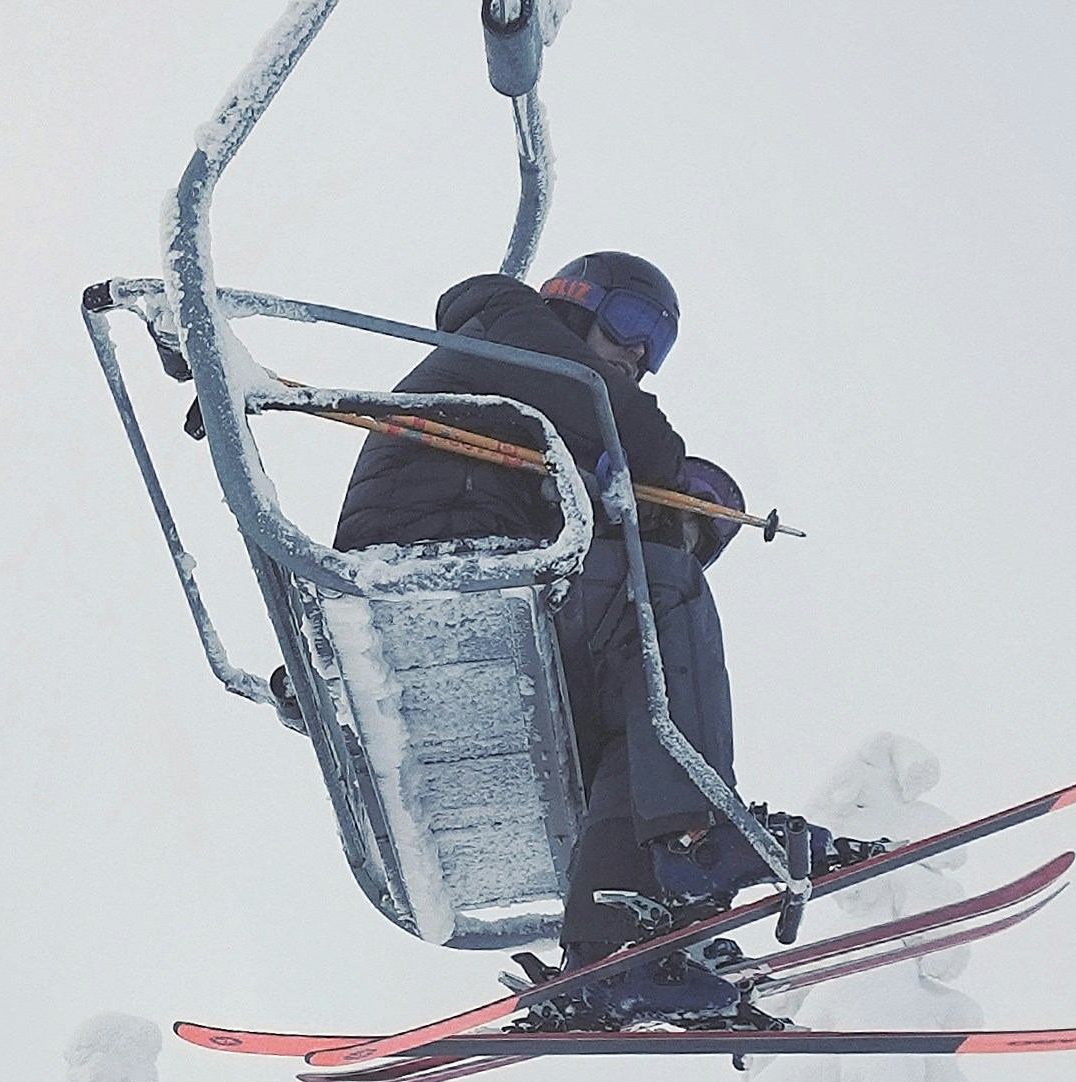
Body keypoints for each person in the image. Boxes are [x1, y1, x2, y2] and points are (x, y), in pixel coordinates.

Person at [331, 248, 846, 1016]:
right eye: (632, 325)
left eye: (653, 349)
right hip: (435, 566)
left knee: (630, 709)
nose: (637, 355)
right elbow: (621, 421)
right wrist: (666, 483)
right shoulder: (509, 328)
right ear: (575, 300)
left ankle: (616, 940)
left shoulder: (545, 422)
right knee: (662, 592)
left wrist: (666, 515)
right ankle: (688, 841)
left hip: (484, 588)